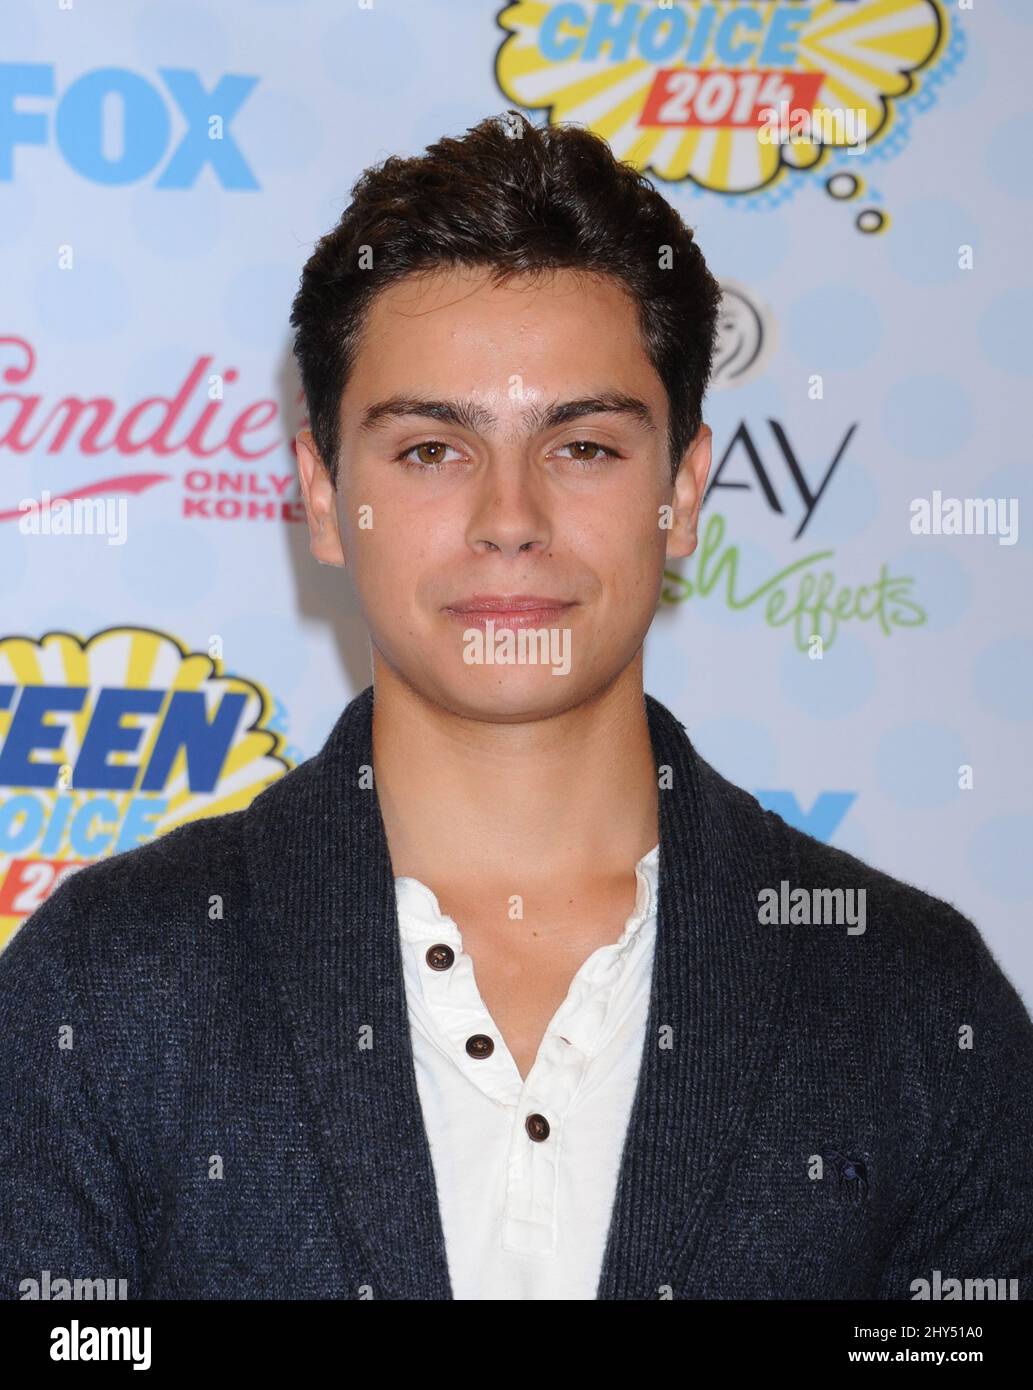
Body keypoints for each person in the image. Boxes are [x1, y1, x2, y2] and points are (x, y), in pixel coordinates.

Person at [2, 110, 1031, 1302]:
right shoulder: (107, 984)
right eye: (431, 449)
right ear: (324, 497)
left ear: (683, 493)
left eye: (583, 446)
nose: (510, 517)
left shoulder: (909, 996)